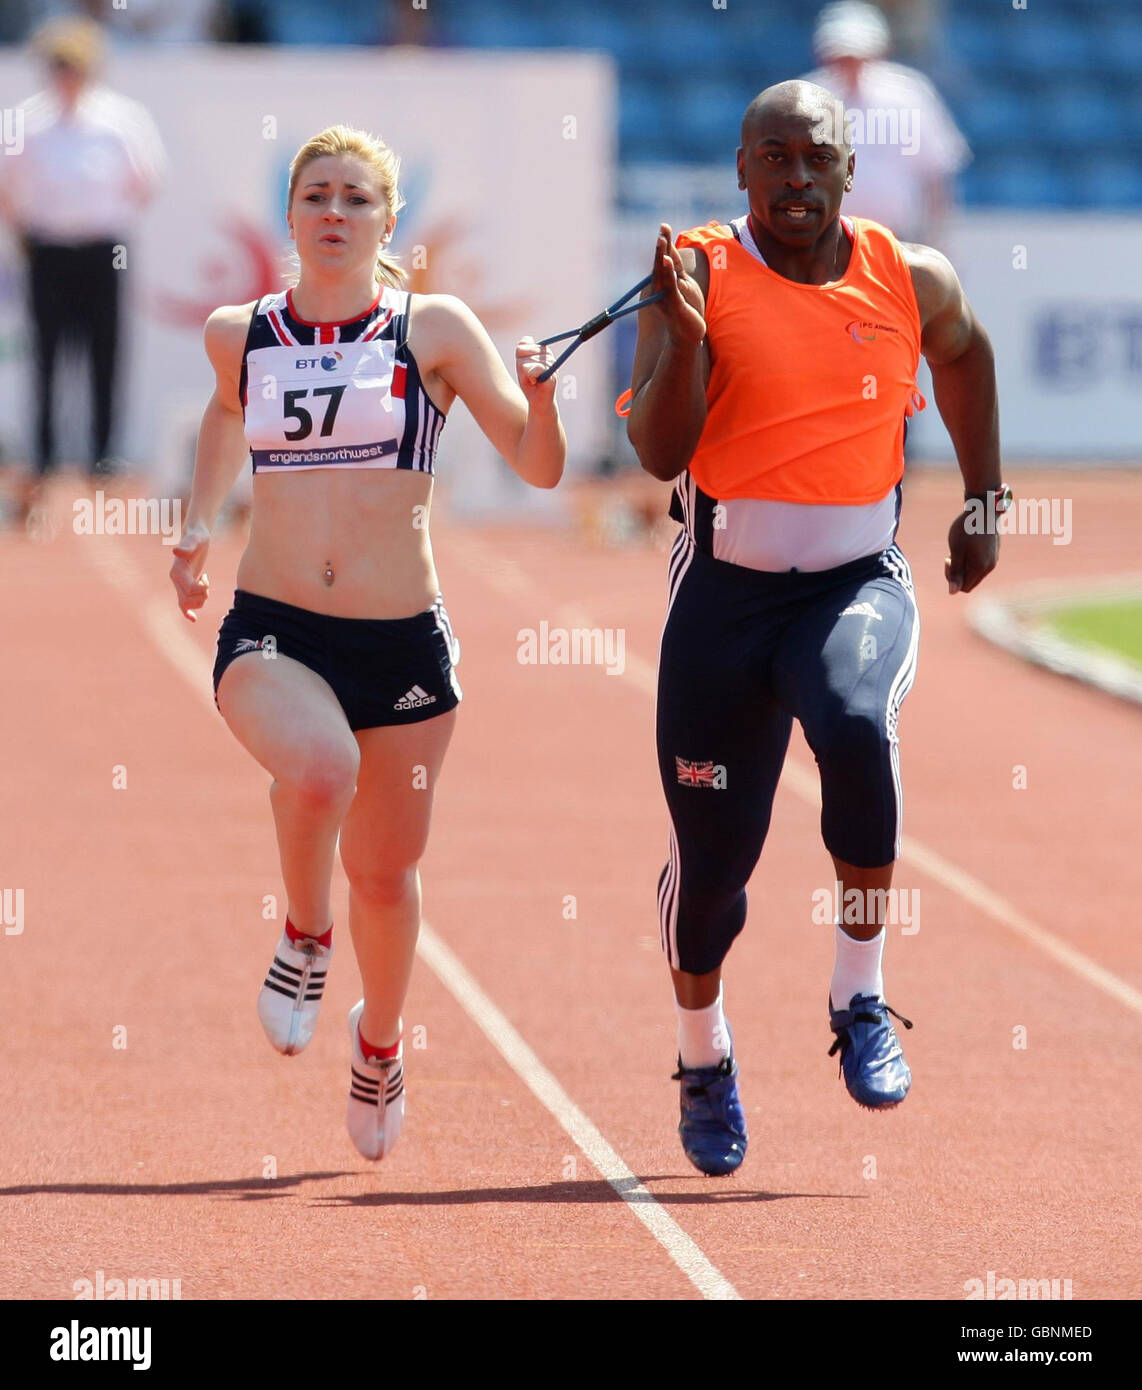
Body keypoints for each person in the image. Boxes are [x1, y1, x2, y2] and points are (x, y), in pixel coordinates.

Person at [627, 80, 1006, 1177]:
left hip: (854, 582)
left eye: (817, 159)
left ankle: (860, 995)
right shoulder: (695, 270)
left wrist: (984, 500)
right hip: (723, 595)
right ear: (740, 170)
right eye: (774, 159)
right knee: (712, 874)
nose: (797, 179)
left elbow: (967, 354)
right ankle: (703, 1056)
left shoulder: (907, 273)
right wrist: (686, 340)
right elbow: (658, 451)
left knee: (852, 723)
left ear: (850, 170)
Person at [169, 124, 565, 1160]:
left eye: (356, 198)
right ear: (289, 215)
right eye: (316, 196)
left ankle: (379, 1043)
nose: (335, 213)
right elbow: (222, 416)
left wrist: (548, 399)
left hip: (401, 647)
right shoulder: (239, 332)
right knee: (316, 769)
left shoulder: (431, 328)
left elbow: (535, 462)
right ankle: (304, 934)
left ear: (389, 220)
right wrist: (196, 527)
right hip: (274, 626)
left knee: (385, 876)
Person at [0, 16, 164, 525]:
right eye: (57, 65)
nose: (65, 75)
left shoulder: (122, 118)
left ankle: (103, 455)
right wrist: (30, 227)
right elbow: (6, 186)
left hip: (102, 249)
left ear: (91, 69)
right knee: (47, 353)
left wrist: (99, 211)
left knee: (105, 351)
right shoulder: (23, 120)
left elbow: (148, 180)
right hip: (47, 247)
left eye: (74, 65)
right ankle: (45, 456)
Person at [802, 1, 969, 249]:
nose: (851, 65)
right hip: (822, 243)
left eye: (858, 56)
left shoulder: (909, 94)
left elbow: (937, 174)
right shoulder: (806, 96)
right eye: (842, 56)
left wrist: (935, 243)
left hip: (895, 242)